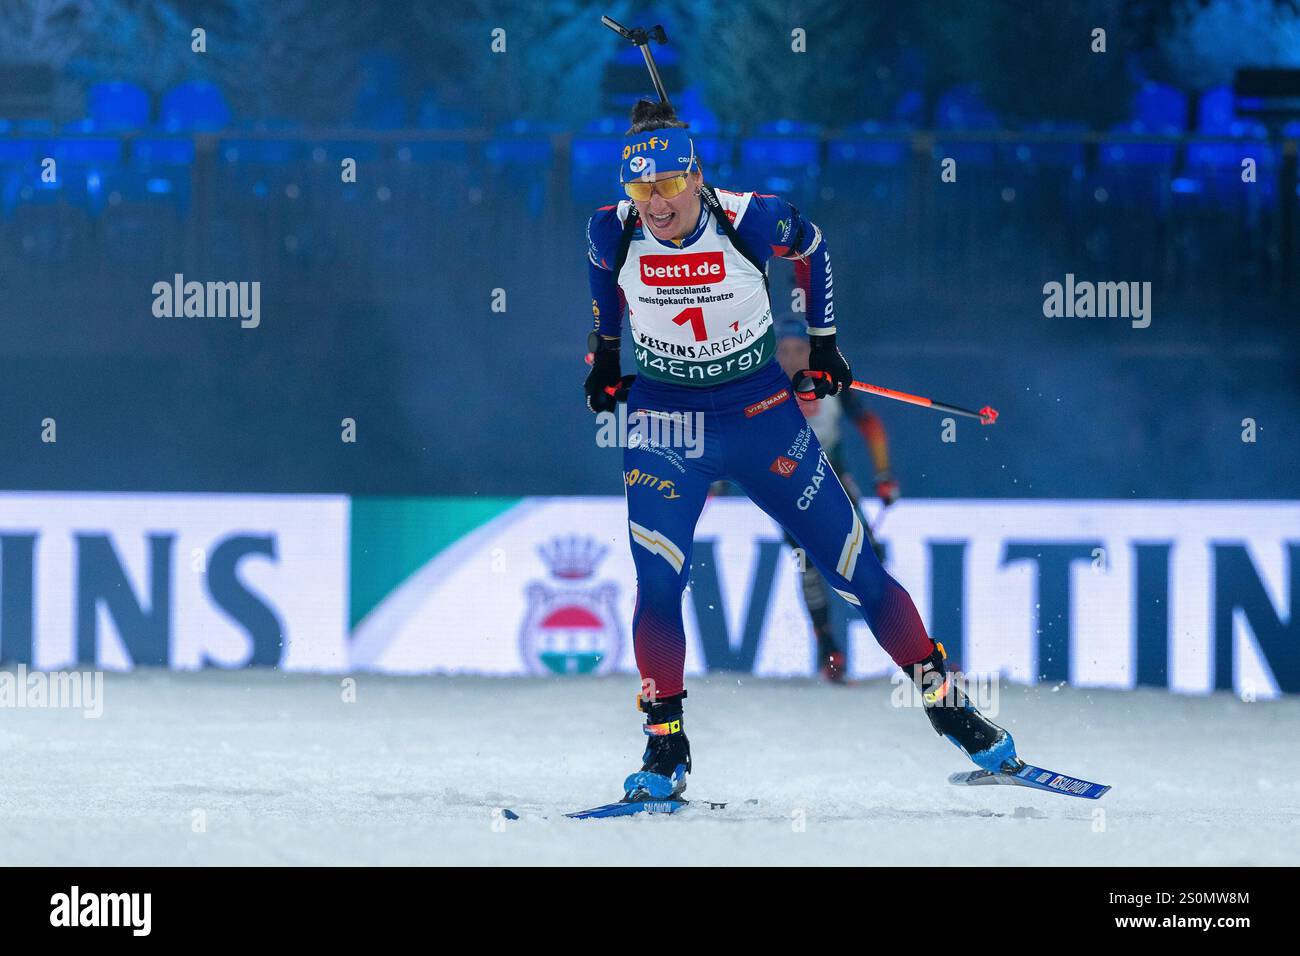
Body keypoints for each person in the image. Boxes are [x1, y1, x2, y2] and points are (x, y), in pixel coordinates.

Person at [583, 99, 1016, 803]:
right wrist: (604, 354)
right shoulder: (612, 230)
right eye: (640, 189)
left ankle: (949, 706)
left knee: (857, 574)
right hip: (668, 423)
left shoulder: (748, 217)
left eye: (667, 185)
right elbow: (605, 284)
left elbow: (811, 246)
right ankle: (666, 748)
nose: (655, 205)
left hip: (761, 415)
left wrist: (824, 342)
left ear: (694, 175)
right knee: (659, 583)